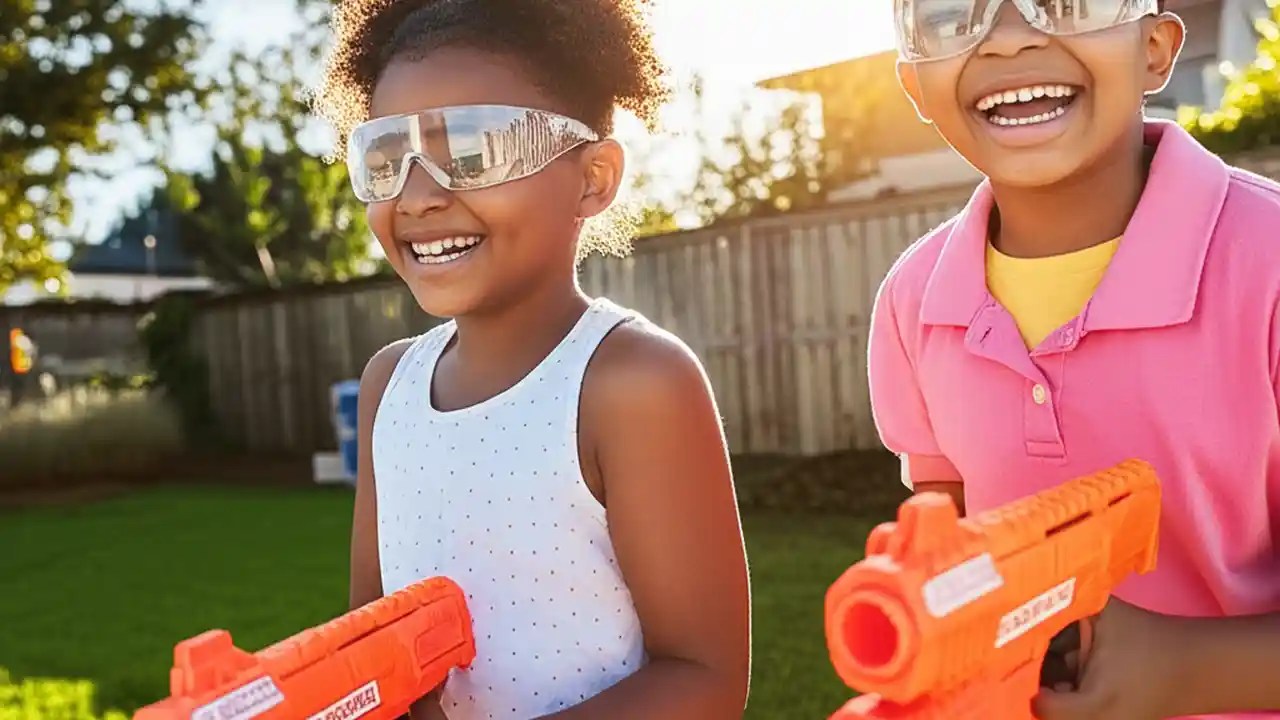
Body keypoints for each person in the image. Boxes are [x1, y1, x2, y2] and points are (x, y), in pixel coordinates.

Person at [309, 1, 751, 718]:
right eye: (386, 160)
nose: (418, 197)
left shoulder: (633, 383)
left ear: (594, 177)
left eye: (474, 152)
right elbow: (372, 646)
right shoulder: (388, 386)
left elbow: (704, 678)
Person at [867, 0, 1280, 718]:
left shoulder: (1268, 264)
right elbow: (949, 524)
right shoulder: (914, 300)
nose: (1006, 39)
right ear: (916, 86)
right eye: (950, 13)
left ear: (1154, 49)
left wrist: (1185, 672)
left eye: (1065, 2)